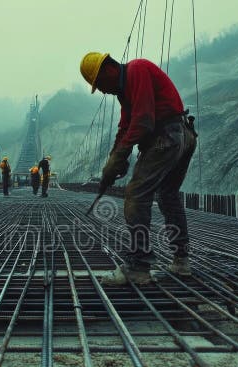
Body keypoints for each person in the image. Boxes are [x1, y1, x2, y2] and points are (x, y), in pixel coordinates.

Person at [80, 52, 198, 285]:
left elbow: (143, 120)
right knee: (168, 196)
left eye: (100, 84)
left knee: (135, 195)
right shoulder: (125, 91)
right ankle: (181, 261)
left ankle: (138, 266)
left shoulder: (137, 70)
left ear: (108, 69)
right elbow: (126, 126)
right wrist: (113, 161)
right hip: (180, 135)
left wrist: (121, 156)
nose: (103, 91)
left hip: (168, 136)